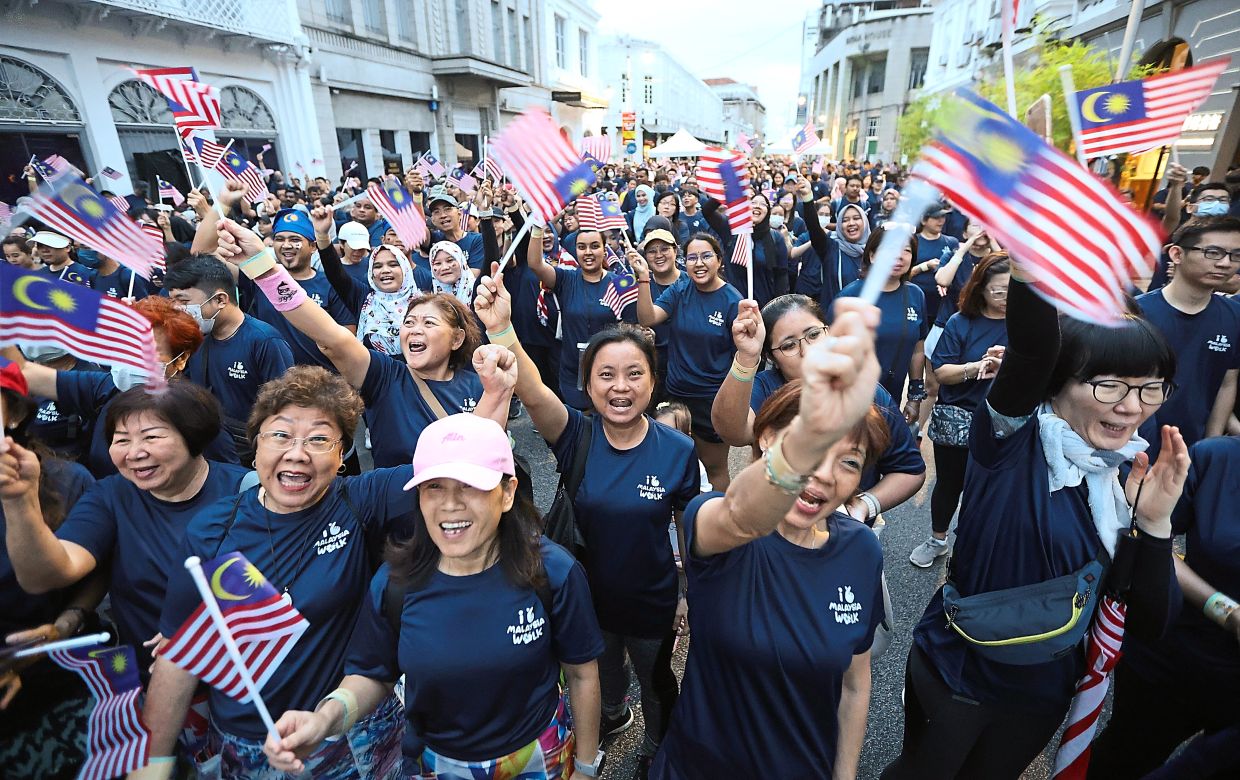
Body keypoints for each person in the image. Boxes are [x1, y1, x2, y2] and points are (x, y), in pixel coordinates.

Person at [881, 265, 1186, 779]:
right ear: (1057, 383)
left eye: (1151, 389)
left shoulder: (1117, 479)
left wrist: (1153, 525)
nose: (1132, 408)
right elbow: (1032, 348)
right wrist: (1030, 259)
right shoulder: (1013, 442)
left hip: (1043, 690)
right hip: (961, 673)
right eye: (1110, 386)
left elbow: (1152, 623)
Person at [262, 410, 606, 780]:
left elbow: (582, 674)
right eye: (434, 487)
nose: (450, 504)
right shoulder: (394, 582)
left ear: (507, 493)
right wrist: (324, 718)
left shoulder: (553, 572)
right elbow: (372, 674)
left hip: (538, 758)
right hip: (438, 765)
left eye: (469, 486)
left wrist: (585, 768)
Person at [140, 366, 434, 777]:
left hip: (354, 735)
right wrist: (153, 763)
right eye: (280, 435)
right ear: (256, 445)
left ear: (342, 453)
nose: (297, 453)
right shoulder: (212, 531)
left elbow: (456, 468)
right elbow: (179, 656)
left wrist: (497, 377)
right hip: (247, 744)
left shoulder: (359, 502)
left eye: (318, 439)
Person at [474, 271, 700, 778]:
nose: (621, 387)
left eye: (634, 374)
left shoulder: (679, 450)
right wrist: (502, 329)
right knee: (602, 675)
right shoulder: (575, 435)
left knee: (656, 680)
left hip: (652, 599)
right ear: (587, 381)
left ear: (652, 381)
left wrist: (686, 592)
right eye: (606, 375)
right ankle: (614, 716)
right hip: (586, 598)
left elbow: (687, 527)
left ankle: (657, 750)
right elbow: (530, 391)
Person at [651, 300, 887, 779]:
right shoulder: (715, 524)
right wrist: (809, 437)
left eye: (848, 462)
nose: (821, 477)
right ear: (765, 439)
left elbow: (855, 685)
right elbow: (742, 516)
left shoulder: (861, 550)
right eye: (809, 448)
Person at [211, 218, 511, 471]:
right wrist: (263, 267)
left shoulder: (480, 382)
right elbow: (330, 335)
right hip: (400, 526)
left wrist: (500, 333)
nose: (413, 330)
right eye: (409, 322)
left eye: (428, 323)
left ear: (457, 338)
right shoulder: (385, 376)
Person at [1, 383, 248, 665]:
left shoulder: (247, 493)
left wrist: (198, 636)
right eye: (121, 440)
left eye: (151, 437)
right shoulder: (110, 496)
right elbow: (46, 575)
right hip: (150, 683)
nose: (135, 452)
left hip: (245, 678)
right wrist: (20, 500)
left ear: (194, 436)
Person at [1087, 433, 1240, 779]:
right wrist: (1227, 612)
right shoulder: (1219, 459)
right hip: (1173, 659)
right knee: (1123, 757)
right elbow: (1155, 544)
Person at [710, 293, 925, 526]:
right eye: (788, 345)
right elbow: (731, 432)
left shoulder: (870, 394)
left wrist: (863, 504)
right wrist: (746, 357)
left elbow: (910, 470)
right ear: (772, 357)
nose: (807, 351)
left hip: (843, 529)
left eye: (813, 335)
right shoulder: (765, 387)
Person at [8, 296, 238, 478]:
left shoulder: (199, 416)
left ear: (181, 359)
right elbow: (23, 372)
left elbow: (228, 484)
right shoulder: (105, 388)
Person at [0, 361, 97, 780]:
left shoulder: (68, 482)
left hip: (53, 692)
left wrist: (62, 626)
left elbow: (93, 580)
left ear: (16, 414)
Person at [909, 254, 1011, 568]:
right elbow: (940, 372)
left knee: (992, 489)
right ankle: (938, 539)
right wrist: (977, 367)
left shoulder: (1024, 325)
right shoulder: (960, 322)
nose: (1007, 298)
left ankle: (972, 544)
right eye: (999, 291)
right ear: (981, 289)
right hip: (959, 418)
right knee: (950, 482)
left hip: (1004, 421)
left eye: (1014, 290)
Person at [632, 234, 741, 491]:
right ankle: (685, 520)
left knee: (714, 468)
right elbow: (648, 317)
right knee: (678, 464)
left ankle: (716, 523)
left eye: (706, 256)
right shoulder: (681, 290)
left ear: (719, 260)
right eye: (692, 257)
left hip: (711, 401)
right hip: (676, 396)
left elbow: (744, 357)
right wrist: (643, 278)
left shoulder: (733, 301)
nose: (699, 263)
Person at [164, 255, 294, 462]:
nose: (177, 309)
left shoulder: (264, 341)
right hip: (209, 451)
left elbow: (285, 408)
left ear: (220, 300)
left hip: (250, 457)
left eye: (184, 301)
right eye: (173, 301)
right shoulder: (196, 337)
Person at [1136, 216, 1240, 449]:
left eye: (1236, 255)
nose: (1225, 263)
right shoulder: (1138, 312)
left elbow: (1227, 382)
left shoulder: (1235, 315)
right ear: (1176, 254)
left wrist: (1211, 443)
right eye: (1213, 252)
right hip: (1135, 442)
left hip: (1193, 443)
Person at [526, 222, 636, 409]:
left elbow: (631, 330)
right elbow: (535, 264)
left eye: (594, 246)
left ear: (604, 249)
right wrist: (537, 226)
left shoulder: (619, 284)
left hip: (610, 375)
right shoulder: (566, 279)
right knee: (580, 430)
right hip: (572, 373)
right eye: (581, 247)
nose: (588, 253)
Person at [834, 229, 928, 420]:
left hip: (890, 400)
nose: (899, 256)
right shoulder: (851, 296)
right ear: (872, 256)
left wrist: (914, 397)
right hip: (850, 399)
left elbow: (917, 348)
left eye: (907, 250)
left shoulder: (916, 295)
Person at [703, 192, 788, 307]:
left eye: (763, 204)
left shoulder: (776, 238)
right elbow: (707, 211)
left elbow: (781, 276)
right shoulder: (732, 229)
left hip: (763, 305)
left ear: (768, 212)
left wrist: (777, 308)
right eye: (753, 203)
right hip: (730, 303)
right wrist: (723, 191)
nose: (757, 206)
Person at [634, 227, 687, 399]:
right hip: (653, 367)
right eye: (652, 251)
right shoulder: (640, 285)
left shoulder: (691, 282)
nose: (658, 255)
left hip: (685, 369)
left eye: (664, 249)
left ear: (675, 250)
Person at [426, 186, 486, 276]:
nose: (443, 215)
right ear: (433, 220)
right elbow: (419, 229)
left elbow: (473, 276)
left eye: (447, 209)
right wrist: (417, 194)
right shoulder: (433, 240)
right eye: (436, 212)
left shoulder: (477, 240)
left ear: (459, 214)